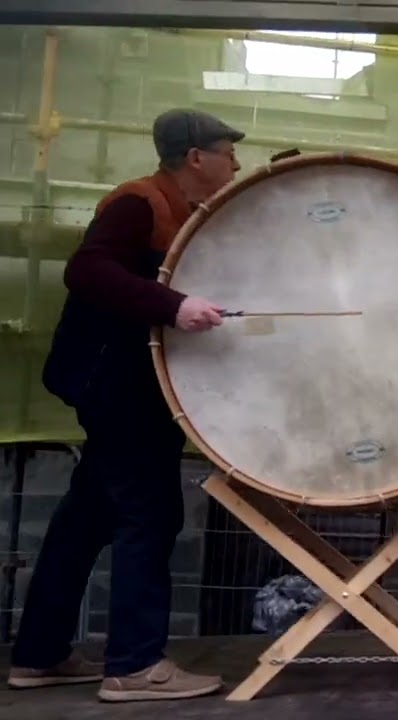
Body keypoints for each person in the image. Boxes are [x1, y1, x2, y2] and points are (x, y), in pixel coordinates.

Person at [6, 109, 239, 701]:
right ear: (195, 158)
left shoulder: (184, 211)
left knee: (85, 521)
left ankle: (39, 653)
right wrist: (173, 305)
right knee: (150, 515)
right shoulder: (140, 203)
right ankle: (135, 666)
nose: (235, 162)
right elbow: (86, 271)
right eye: (226, 152)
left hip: (125, 385)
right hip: (115, 386)